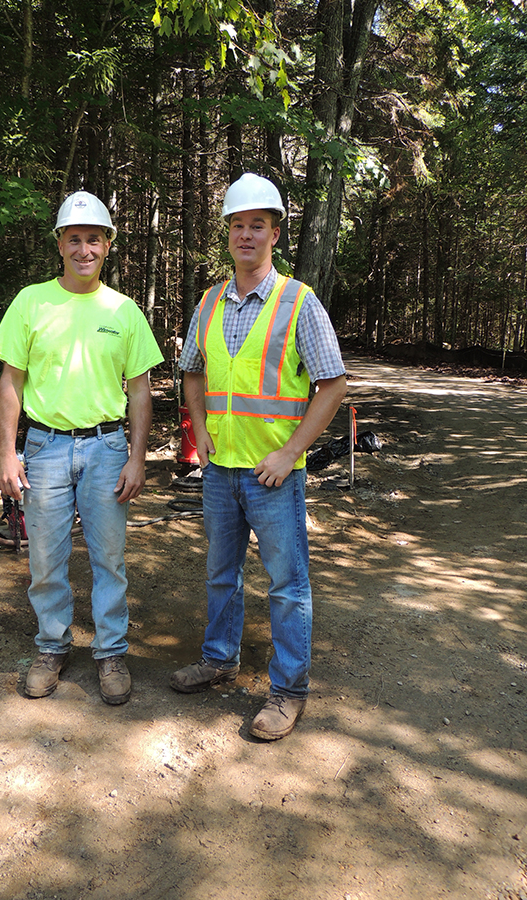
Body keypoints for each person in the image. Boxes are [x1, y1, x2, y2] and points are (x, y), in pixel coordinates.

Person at [170, 173, 347, 740]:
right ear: (227, 234)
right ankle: (219, 659)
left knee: (287, 585)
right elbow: (192, 371)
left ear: (274, 234)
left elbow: (333, 385)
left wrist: (292, 451)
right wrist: (199, 432)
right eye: (237, 226)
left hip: (274, 476)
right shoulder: (208, 302)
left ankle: (288, 691)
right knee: (221, 574)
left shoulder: (299, 302)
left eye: (257, 226)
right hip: (221, 471)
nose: (247, 236)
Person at [0, 191, 164, 705]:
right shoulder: (31, 301)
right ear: (60, 245)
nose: (83, 248)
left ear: (107, 246)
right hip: (43, 448)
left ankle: (111, 653)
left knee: (109, 559)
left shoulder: (124, 311)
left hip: (107, 448)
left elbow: (139, 391)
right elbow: (10, 383)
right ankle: (51, 647)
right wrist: (6, 452)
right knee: (46, 558)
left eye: (93, 239)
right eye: (74, 239)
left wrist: (137, 456)